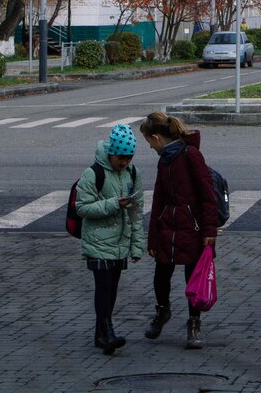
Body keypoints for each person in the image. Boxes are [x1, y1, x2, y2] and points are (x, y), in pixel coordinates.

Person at [139, 111, 219, 350]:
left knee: (192, 281)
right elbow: (158, 201)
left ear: (156, 137)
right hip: (167, 230)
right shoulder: (164, 160)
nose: (150, 147)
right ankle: (162, 312)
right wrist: (152, 237)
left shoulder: (191, 155)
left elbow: (207, 196)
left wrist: (209, 231)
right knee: (160, 277)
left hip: (192, 230)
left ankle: (194, 324)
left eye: (149, 142)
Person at [75, 123, 144, 355]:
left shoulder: (133, 173)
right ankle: (108, 333)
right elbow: (82, 208)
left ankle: (101, 333)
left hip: (120, 242)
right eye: (120, 157)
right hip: (97, 241)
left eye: (129, 157)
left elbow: (136, 211)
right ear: (111, 152)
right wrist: (114, 204)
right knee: (103, 288)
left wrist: (137, 245)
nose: (124, 162)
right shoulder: (93, 173)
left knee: (112, 289)